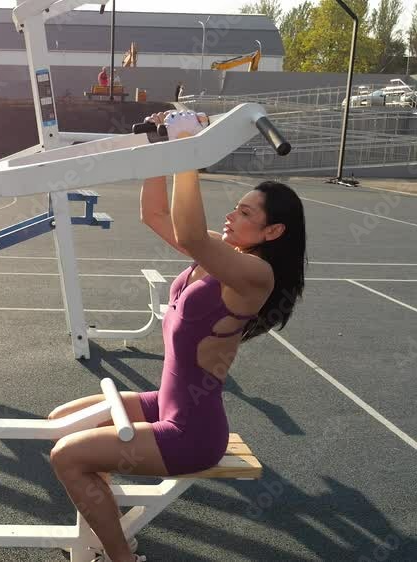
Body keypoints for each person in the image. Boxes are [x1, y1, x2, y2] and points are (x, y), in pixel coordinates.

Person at [47, 110, 307, 562]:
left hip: (191, 431)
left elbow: (188, 231)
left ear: (273, 231)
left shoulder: (255, 275)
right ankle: (106, 515)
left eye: (244, 212)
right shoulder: (224, 252)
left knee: (67, 456)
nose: (230, 215)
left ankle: (119, 556)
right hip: (164, 400)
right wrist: (159, 147)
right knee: (61, 420)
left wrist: (188, 148)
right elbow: (154, 215)